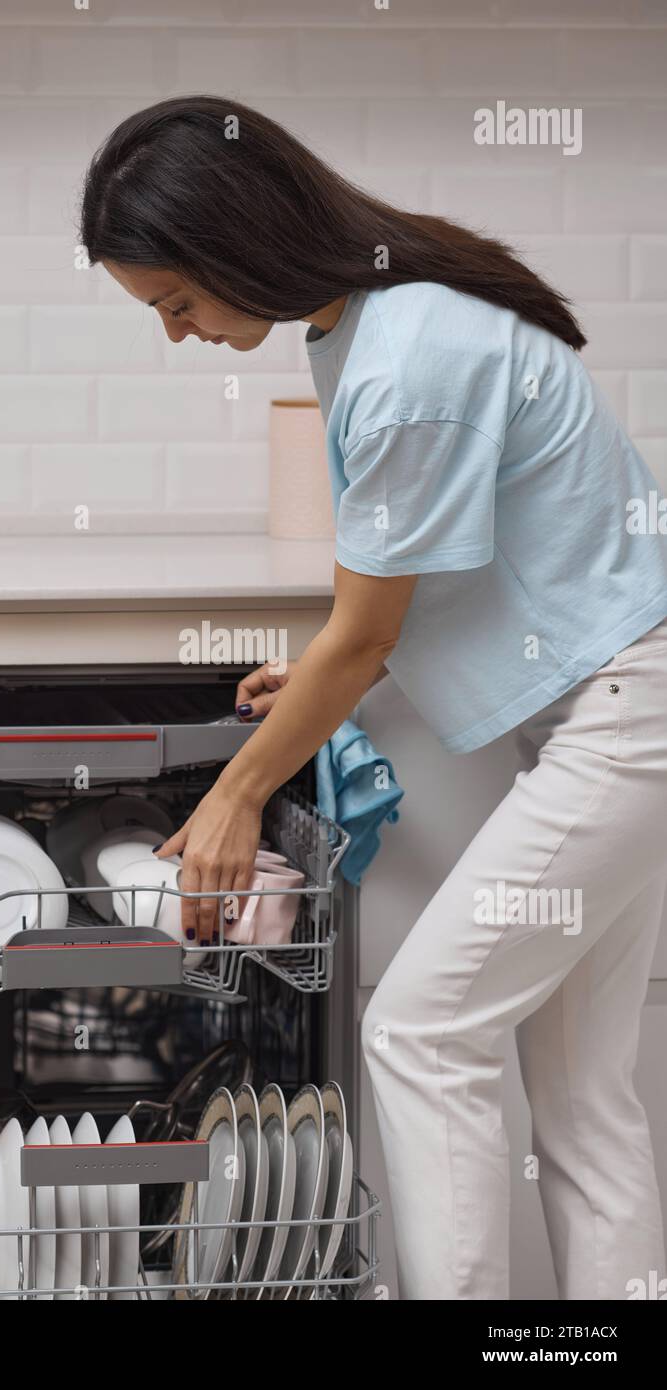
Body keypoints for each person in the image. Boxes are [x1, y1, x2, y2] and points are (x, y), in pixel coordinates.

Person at [80, 94, 667, 1300]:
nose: (179, 334)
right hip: (613, 707)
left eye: (177, 302)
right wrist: (332, 664)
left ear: (236, 241)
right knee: (584, 1097)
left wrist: (242, 792)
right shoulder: (370, 324)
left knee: (420, 1032)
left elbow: (371, 626)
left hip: (626, 719)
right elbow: (436, 578)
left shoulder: (405, 358)